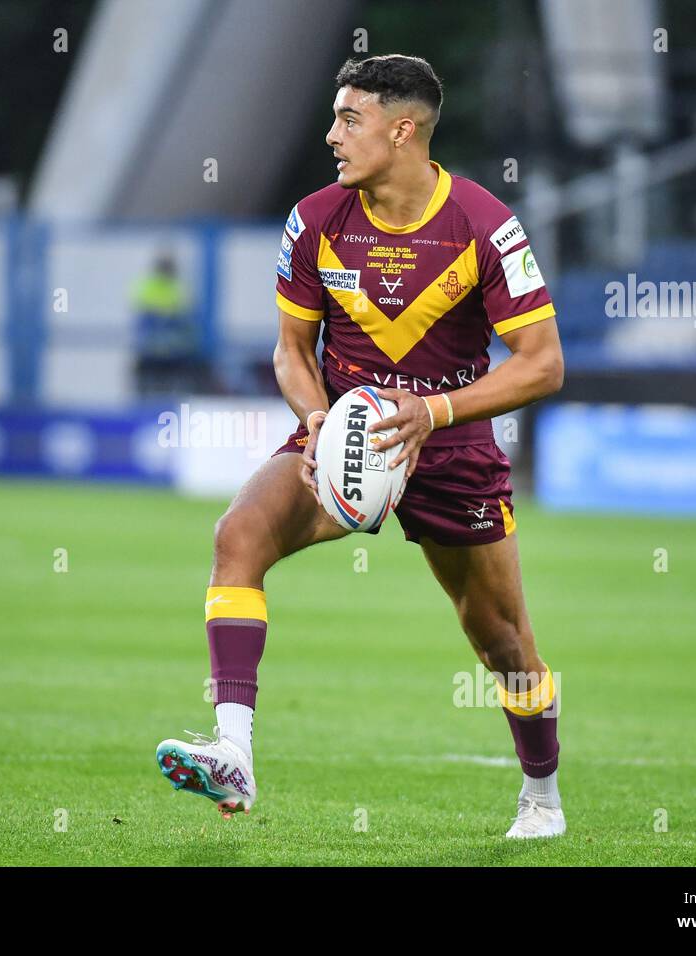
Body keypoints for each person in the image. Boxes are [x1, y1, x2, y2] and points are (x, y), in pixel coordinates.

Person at [155, 54, 567, 838]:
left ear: (402, 130)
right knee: (237, 536)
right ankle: (234, 751)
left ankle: (542, 796)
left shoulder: (484, 225)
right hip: (340, 433)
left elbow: (543, 364)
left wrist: (435, 412)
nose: (331, 136)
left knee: (503, 643)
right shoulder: (314, 219)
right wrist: (315, 422)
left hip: (449, 447)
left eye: (350, 120)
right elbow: (289, 352)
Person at [131, 254, 207, 396]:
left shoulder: (180, 288)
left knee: (190, 369)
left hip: (175, 350)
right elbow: (143, 320)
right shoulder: (147, 287)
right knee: (145, 373)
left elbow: (188, 319)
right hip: (152, 350)